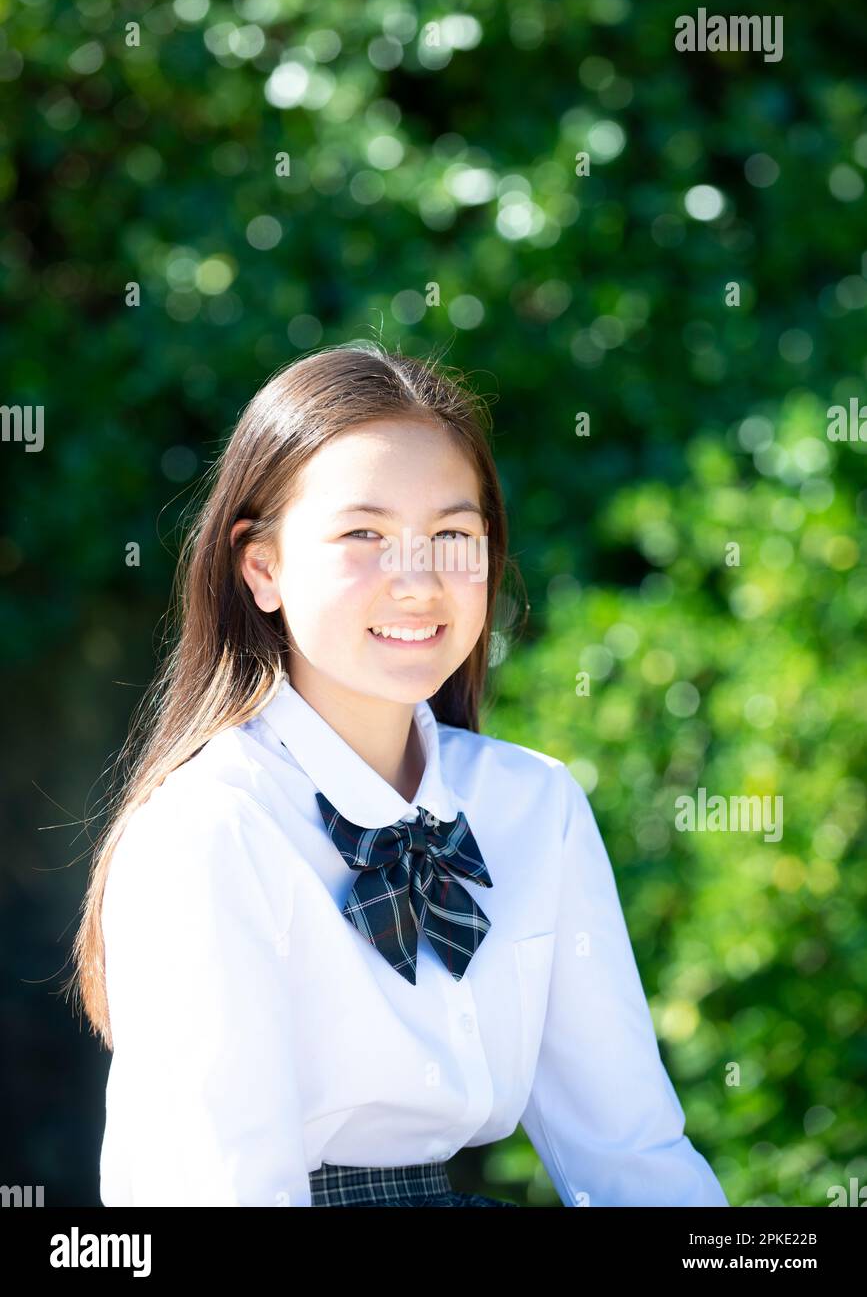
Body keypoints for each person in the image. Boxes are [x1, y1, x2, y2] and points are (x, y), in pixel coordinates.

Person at [72, 340, 729, 1208]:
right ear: (260, 567)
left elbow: (631, 1156)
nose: (417, 581)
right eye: (363, 535)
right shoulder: (210, 830)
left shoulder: (535, 805)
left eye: (452, 535)